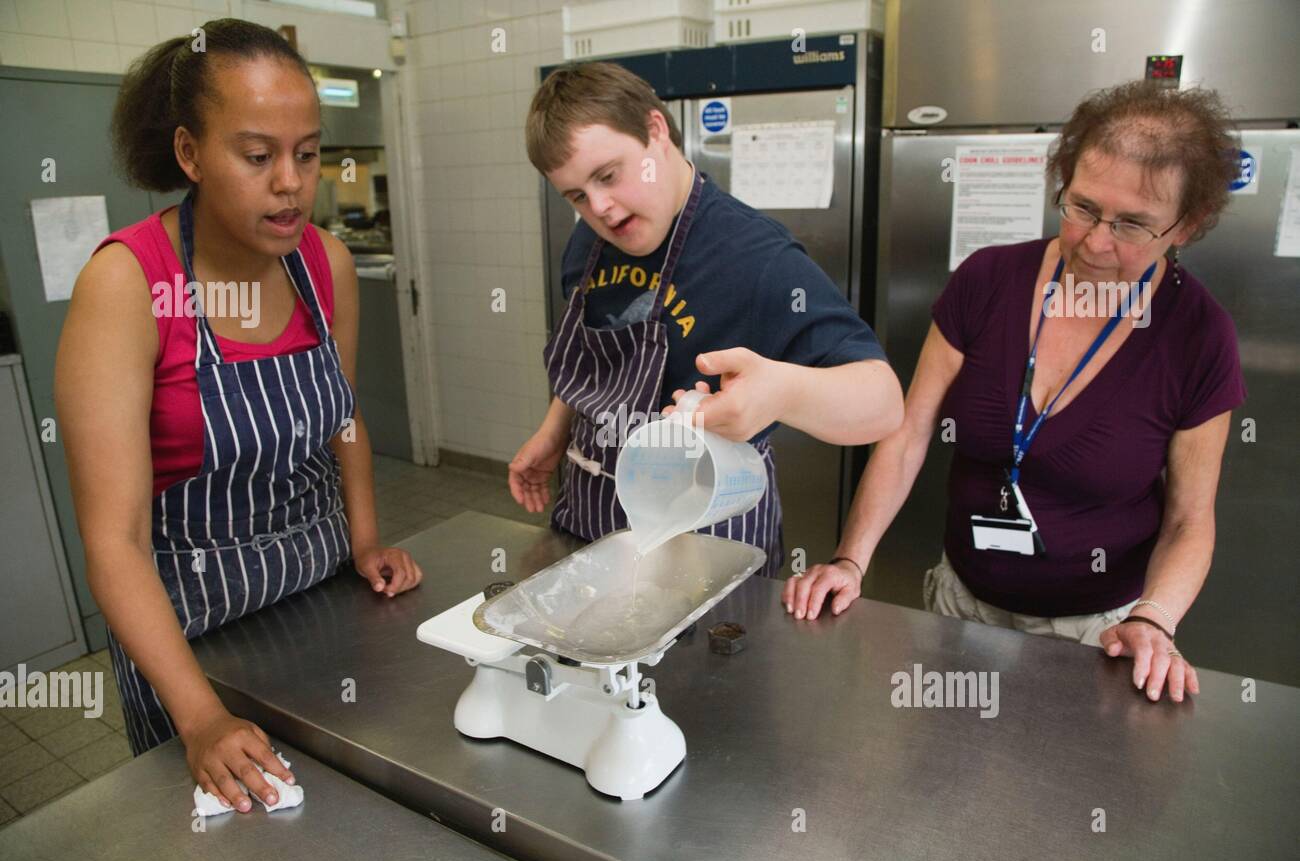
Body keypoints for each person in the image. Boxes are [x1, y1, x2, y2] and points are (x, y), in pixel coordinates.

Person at [54, 19, 422, 812]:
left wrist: (363, 541)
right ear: (189, 154)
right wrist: (200, 716)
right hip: (191, 639)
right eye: (257, 157)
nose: (291, 182)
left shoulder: (325, 263)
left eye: (308, 152)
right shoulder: (128, 285)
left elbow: (344, 417)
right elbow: (112, 542)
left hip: (323, 606)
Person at [785, 81, 1246, 703]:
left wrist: (1153, 619)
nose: (1095, 241)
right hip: (960, 603)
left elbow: (1191, 519)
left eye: (1133, 224)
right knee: (946, 776)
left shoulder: (1198, 336)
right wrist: (850, 558)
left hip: (1100, 634)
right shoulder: (989, 279)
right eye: (1081, 207)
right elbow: (908, 430)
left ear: (1185, 226)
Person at [509, 62, 903, 575]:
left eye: (609, 175)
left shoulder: (757, 258)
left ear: (655, 130)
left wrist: (782, 390)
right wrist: (553, 430)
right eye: (577, 196)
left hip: (707, 550)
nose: (601, 208)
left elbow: (883, 402)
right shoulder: (589, 244)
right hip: (590, 529)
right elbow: (593, 354)